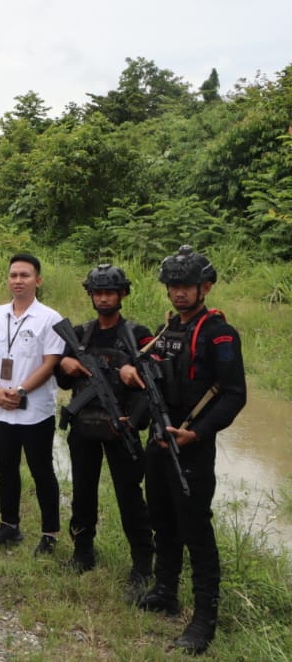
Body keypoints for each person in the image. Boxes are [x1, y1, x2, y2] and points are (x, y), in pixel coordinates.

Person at [121, 246, 246, 655]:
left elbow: (233, 395)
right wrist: (132, 372)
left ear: (205, 287)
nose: (178, 293)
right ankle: (164, 591)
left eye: (186, 286)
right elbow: (150, 372)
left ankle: (204, 620)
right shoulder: (168, 329)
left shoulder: (218, 333)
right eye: (173, 286)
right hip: (158, 439)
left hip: (191, 446)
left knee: (197, 530)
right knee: (162, 518)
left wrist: (198, 432)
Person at [54, 264, 154, 586]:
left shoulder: (138, 335)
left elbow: (152, 387)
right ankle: (82, 553)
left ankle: (142, 565)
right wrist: (65, 363)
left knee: (130, 498)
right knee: (82, 493)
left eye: (110, 292)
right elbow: (64, 382)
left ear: (123, 293)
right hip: (84, 428)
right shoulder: (81, 334)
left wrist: (133, 421)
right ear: (91, 295)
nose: (104, 298)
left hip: (120, 427)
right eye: (98, 292)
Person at [0, 252, 65, 555]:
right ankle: (9, 526)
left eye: (25, 275)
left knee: (42, 470)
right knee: (6, 468)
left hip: (35, 409)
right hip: (1, 406)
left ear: (37, 281)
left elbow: (51, 361)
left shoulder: (50, 318)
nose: (18, 280)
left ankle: (50, 533)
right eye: (13, 275)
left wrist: (21, 391)